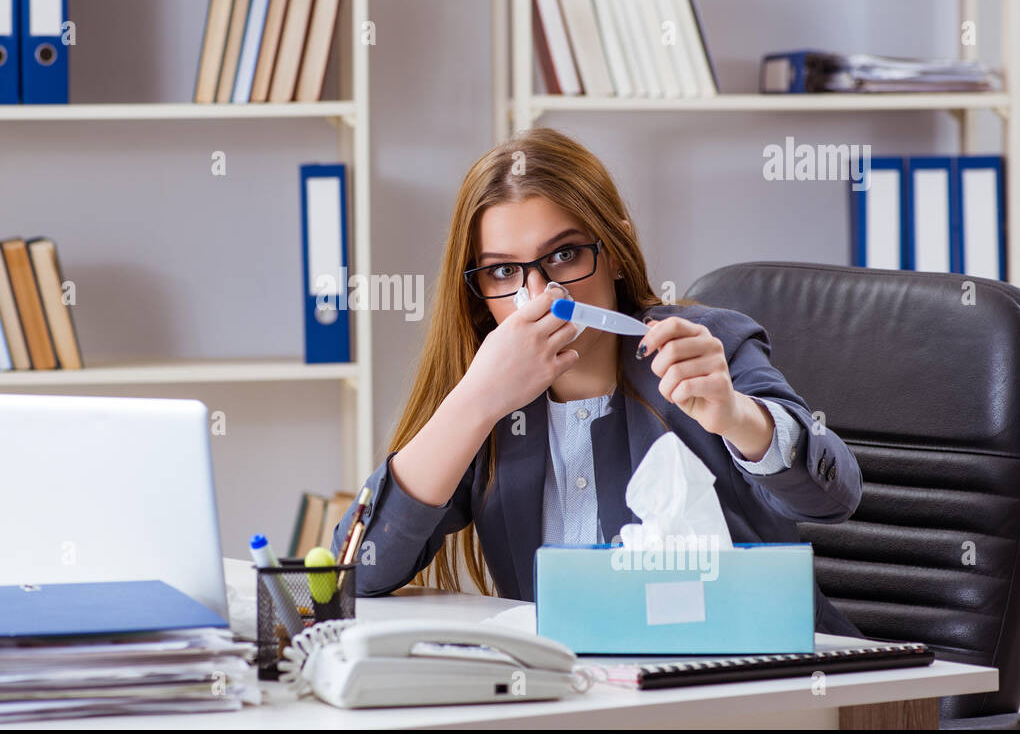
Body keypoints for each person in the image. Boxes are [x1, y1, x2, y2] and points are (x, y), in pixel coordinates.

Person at [331, 126, 864, 637]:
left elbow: (835, 496)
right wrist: (473, 402)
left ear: (614, 253)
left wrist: (738, 416)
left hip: (753, 683)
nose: (539, 296)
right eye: (502, 271)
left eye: (564, 255)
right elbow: (355, 573)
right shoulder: (490, 402)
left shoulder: (704, 345)